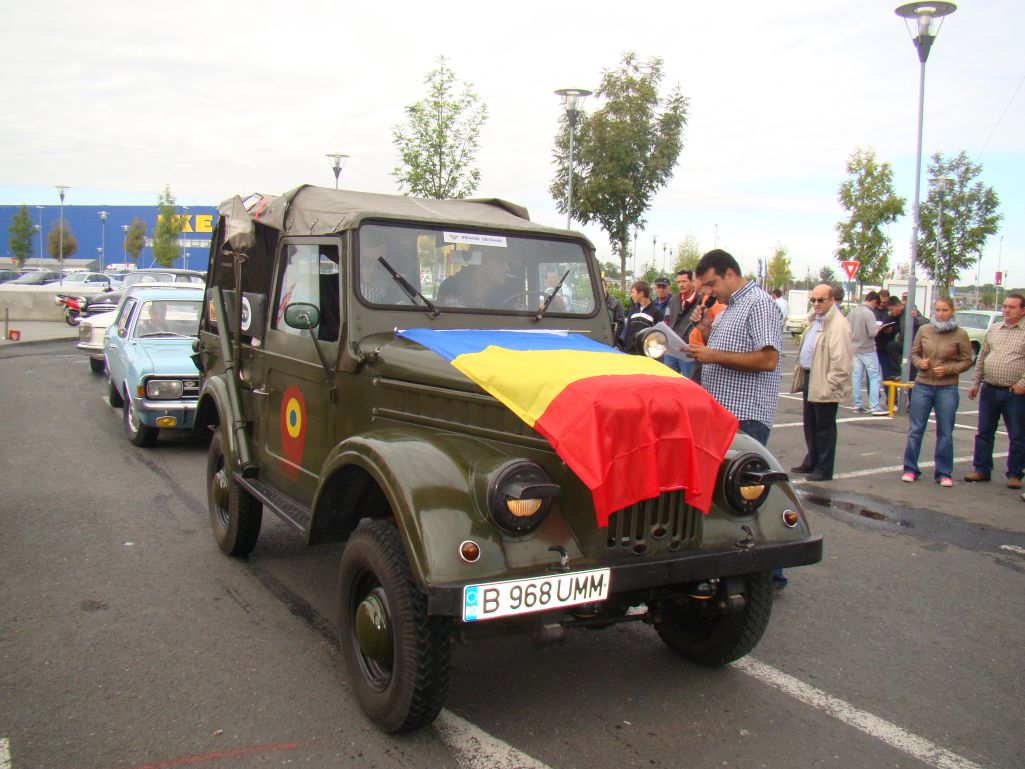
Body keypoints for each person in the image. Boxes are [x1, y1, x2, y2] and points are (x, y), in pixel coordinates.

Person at [684, 250, 785, 593]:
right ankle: (761, 570)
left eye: (712, 284)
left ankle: (772, 573)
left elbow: (767, 358)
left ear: (730, 273)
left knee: (747, 492)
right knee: (732, 493)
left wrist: (712, 355)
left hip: (747, 415)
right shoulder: (729, 308)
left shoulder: (758, 304)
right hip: (725, 412)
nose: (711, 292)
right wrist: (706, 329)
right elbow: (729, 347)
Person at [901, 297, 973, 486]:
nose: (940, 314)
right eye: (938, 310)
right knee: (916, 429)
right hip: (923, 384)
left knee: (946, 431)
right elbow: (914, 353)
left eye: (945, 311)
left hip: (947, 387)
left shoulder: (960, 334)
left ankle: (943, 472)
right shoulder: (925, 330)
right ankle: (910, 468)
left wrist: (949, 369)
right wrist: (919, 363)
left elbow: (967, 361)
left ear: (952, 311)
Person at [790, 284, 852, 482]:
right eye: (813, 300)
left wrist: (830, 384)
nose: (816, 304)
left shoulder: (838, 325)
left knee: (824, 427)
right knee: (810, 423)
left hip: (824, 381)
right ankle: (812, 460)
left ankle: (824, 468)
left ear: (831, 300)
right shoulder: (817, 321)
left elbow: (841, 361)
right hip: (812, 376)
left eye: (820, 300)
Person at [964, 293, 1025, 489]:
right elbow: (982, 357)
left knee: (1017, 435)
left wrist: (1022, 384)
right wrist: (976, 383)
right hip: (990, 389)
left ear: (1022, 310)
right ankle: (981, 469)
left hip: (1014, 393)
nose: (1006, 310)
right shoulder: (995, 329)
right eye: (1005, 306)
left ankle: (1015, 474)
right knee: (984, 432)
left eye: (1012, 307)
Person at [848, 291, 887, 415]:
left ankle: (857, 404)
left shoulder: (853, 311)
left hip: (854, 348)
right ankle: (874, 406)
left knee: (856, 376)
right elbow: (872, 333)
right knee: (874, 377)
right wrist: (878, 328)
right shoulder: (869, 313)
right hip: (867, 349)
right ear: (874, 302)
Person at [437, 252, 520, 308]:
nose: (506, 268)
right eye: (499, 263)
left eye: (507, 263)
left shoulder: (507, 292)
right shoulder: (452, 286)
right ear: (480, 267)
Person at [663, 269, 700, 376]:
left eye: (684, 281)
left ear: (691, 282)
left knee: (689, 380)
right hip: (671, 347)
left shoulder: (700, 299)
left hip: (688, 349)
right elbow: (666, 320)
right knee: (668, 379)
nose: (681, 285)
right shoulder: (673, 300)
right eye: (679, 282)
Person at [623, 280, 664, 353]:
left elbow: (659, 337)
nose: (631, 295)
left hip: (646, 354)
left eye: (633, 292)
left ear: (641, 293)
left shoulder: (656, 312)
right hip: (631, 353)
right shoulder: (633, 310)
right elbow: (628, 332)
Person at [603, 279, 625, 348]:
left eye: (601, 287)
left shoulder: (616, 303)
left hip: (610, 341)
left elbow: (620, 323)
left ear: (606, 287)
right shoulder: (592, 303)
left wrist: (613, 341)